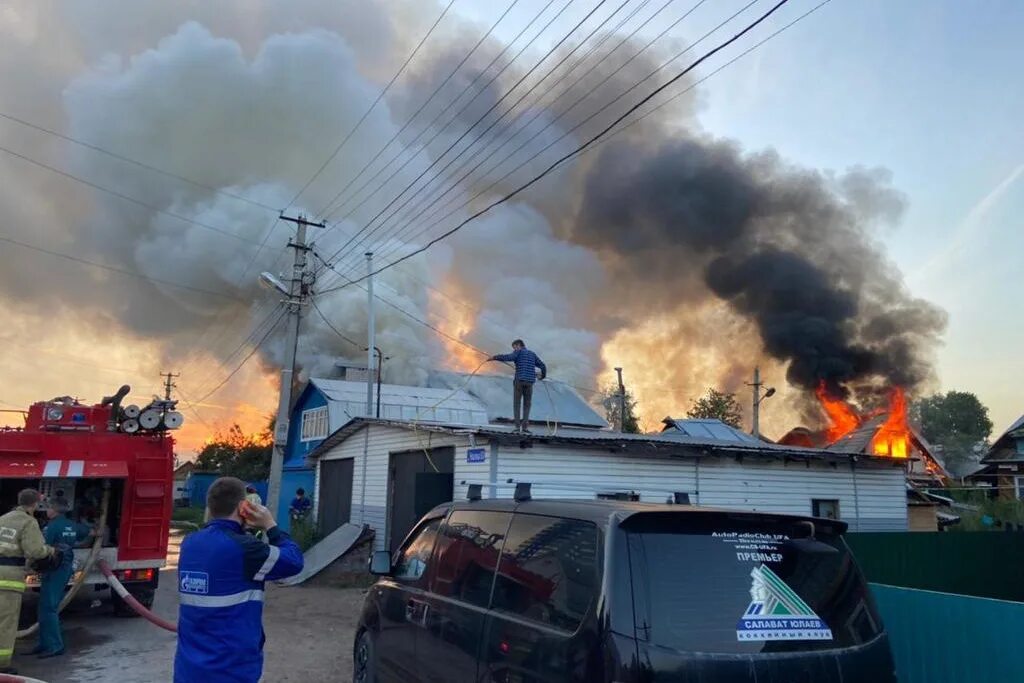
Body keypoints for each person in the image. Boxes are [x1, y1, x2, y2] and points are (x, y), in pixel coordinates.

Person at [175, 477, 303, 683]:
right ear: (243, 508)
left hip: (188, 672)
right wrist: (270, 526)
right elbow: (294, 561)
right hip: (232, 672)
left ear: (210, 506)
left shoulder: (189, 543)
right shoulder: (245, 549)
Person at [0, 489, 56, 675]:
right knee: (6, 622)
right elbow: (35, 551)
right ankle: (2, 665)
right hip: (8, 579)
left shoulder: (3, 519)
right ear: (35, 504)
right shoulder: (28, 522)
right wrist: (50, 550)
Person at [35, 497, 90, 658]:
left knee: (49, 607)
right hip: (64, 567)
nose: (46, 511)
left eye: (48, 508)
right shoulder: (72, 525)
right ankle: (44, 644)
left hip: (54, 568)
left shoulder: (51, 527)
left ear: (54, 510)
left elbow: (41, 547)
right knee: (46, 606)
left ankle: (54, 646)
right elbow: (87, 531)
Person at [488, 339, 547, 433]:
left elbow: (508, 357)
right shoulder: (532, 354)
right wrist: (542, 376)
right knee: (527, 405)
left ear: (518, 345)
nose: (514, 349)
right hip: (529, 382)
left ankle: (517, 427)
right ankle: (525, 428)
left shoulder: (518, 352)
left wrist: (494, 357)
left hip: (519, 381)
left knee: (517, 404)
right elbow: (542, 366)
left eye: (514, 347)